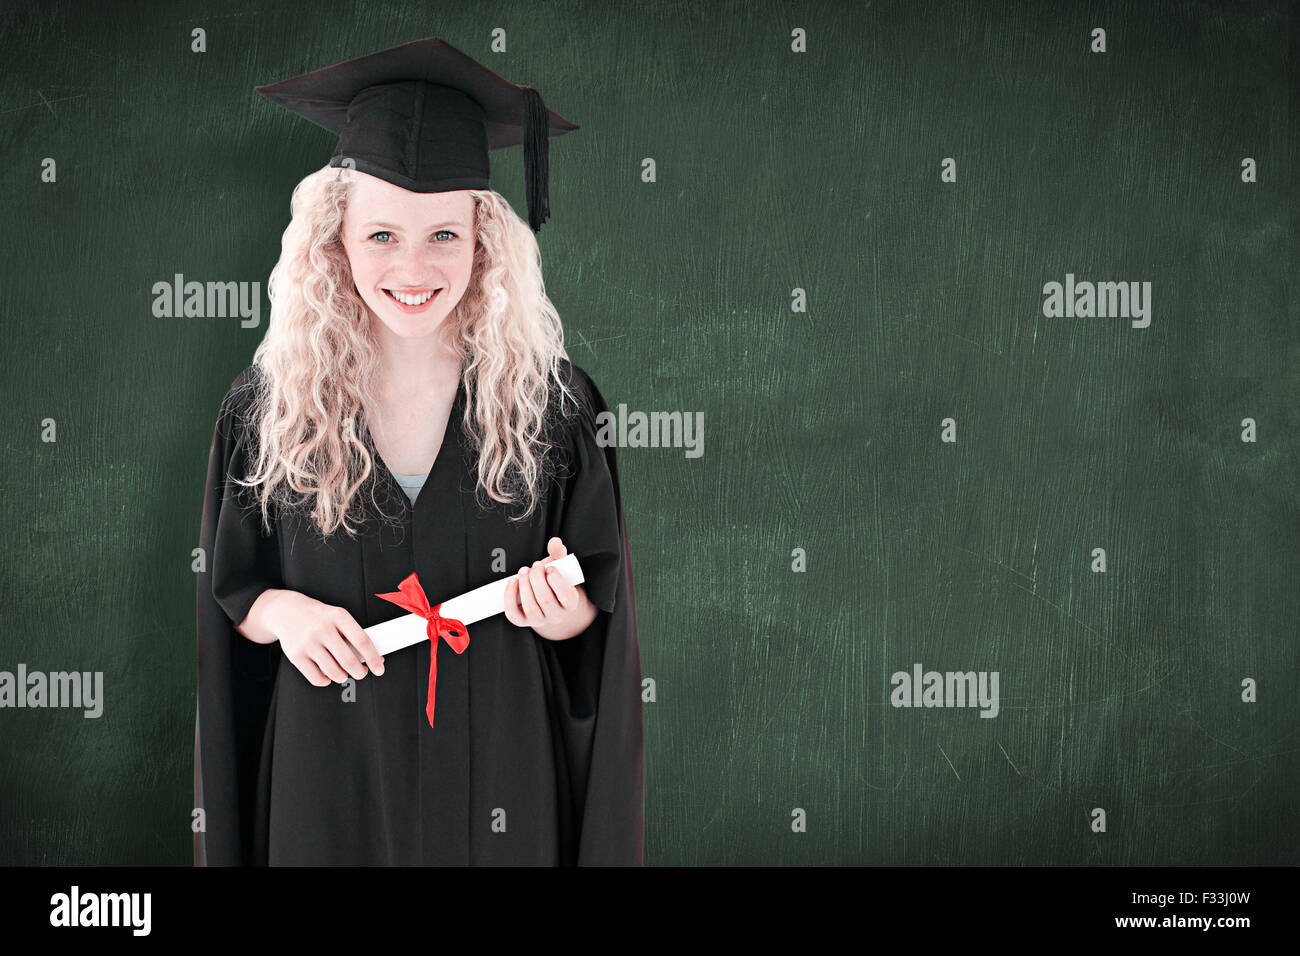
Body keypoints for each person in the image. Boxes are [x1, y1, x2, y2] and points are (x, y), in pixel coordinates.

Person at [194, 37, 643, 866]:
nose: (413, 265)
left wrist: (562, 608)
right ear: (334, 244)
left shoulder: (554, 406)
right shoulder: (269, 406)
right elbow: (236, 587)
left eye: (444, 233)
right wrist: (286, 614)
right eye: (381, 236)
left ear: (485, 241)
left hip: (503, 776)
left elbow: (598, 609)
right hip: (326, 778)